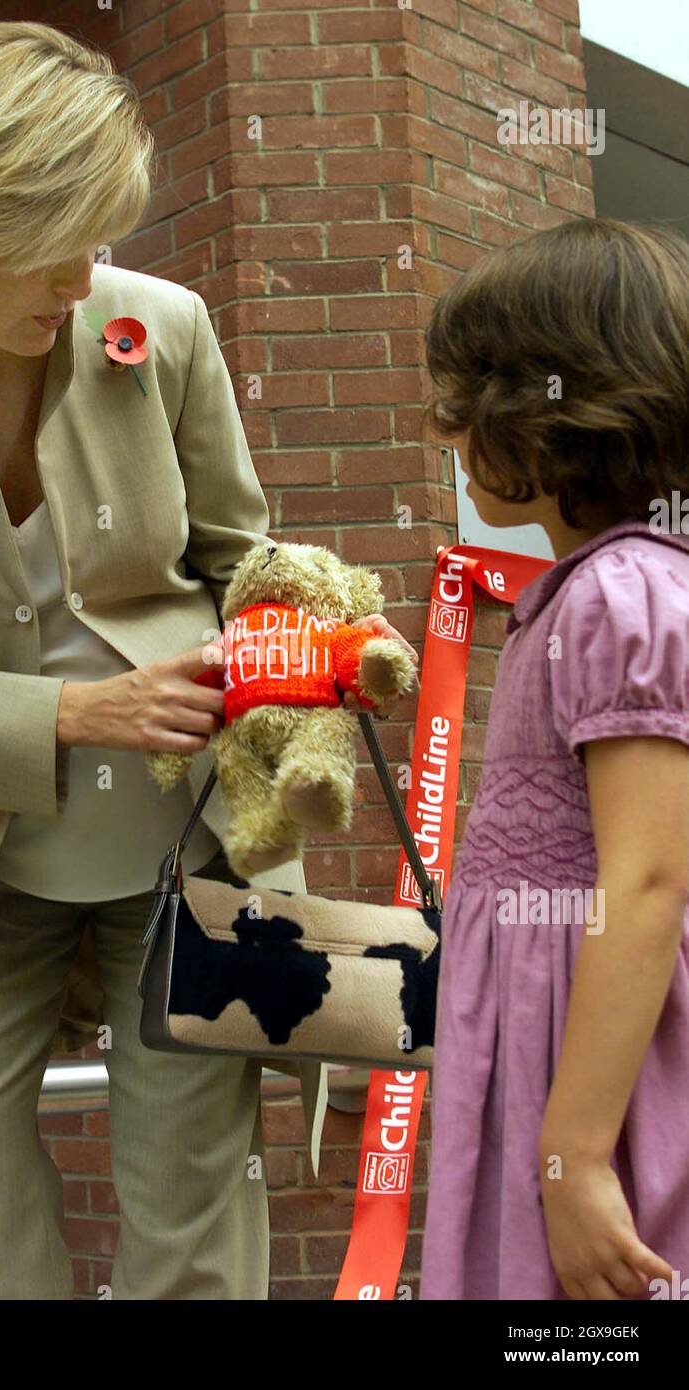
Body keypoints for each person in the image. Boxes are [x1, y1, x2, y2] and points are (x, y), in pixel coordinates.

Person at [0, 20, 404, 1300]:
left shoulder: (167, 329)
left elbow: (239, 566)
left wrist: (307, 647)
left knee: (192, 1202)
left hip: (178, 841)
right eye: (55, 244)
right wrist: (74, 711)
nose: (87, 280)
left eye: (104, 238)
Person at [418, 218, 689, 1300]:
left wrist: (572, 1156)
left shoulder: (619, 599)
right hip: (548, 1057)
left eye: (462, 400)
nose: (446, 432)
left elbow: (648, 878)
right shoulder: (588, 595)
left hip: (587, 1087)